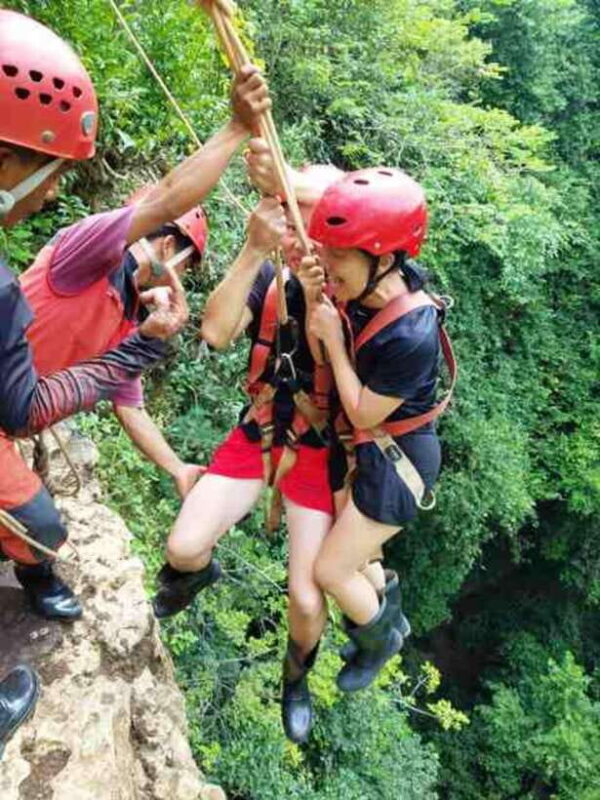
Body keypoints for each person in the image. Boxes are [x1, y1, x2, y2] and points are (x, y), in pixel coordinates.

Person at [0, 9, 180, 758]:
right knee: (39, 523)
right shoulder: (82, 258)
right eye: (49, 175)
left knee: (39, 526)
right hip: (14, 401)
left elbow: (128, 406)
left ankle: (36, 576)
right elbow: (30, 403)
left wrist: (176, 469)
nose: (48, 197)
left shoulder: (123, 307)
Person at [152, 161, 343, 744]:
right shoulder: (270, 277)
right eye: (288, 213)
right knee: (182, 548)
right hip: (262, 430)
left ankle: (296, 676)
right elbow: (214, 332)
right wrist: (254, 251)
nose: (293, 224)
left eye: (301, 213)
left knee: (308, 603)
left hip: (317, 447)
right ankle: (195, 576)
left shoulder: (353, 284)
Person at [19, 64, 271, 499]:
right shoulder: (92, 249)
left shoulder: (133, 320)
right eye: (190, 265)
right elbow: (168, 198)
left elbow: (129, 405)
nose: (186, 277)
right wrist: (236, 127)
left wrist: (176, 467)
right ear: (172, 251)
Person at [301, 167, 453, 693]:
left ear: (384, 259)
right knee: (360, 558)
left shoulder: (412, 333)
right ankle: (384, 615)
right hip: (369, 451)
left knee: (331, 572)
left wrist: (335, 342)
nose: (327, 262)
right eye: (327, 249)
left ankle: (382, 639)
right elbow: (324, 352)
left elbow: (365, 410)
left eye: (339, 255)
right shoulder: (368, 289)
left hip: (397, 461)